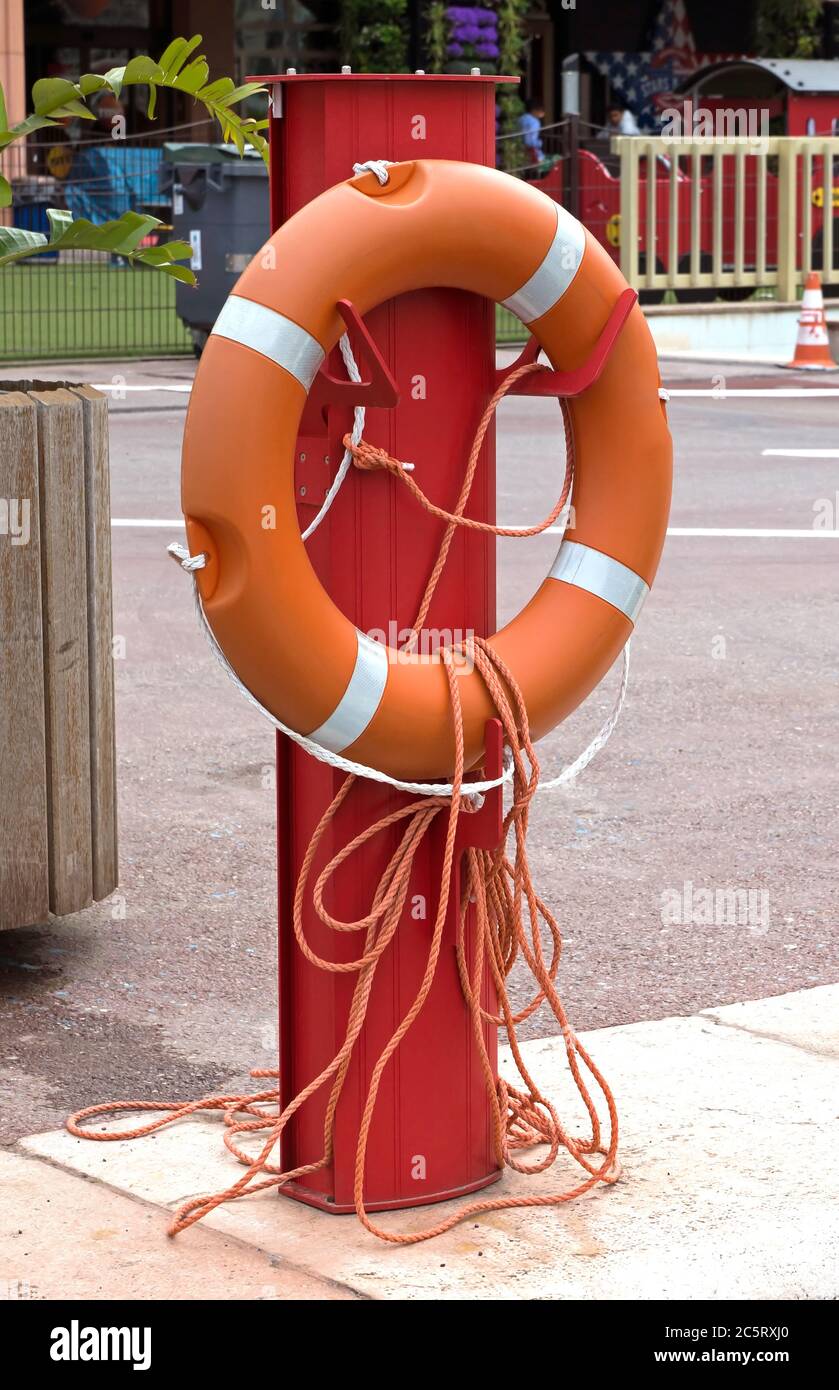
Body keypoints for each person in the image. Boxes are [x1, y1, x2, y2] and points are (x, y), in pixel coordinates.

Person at [518, 99, 546, 166]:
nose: (543, 113)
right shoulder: (534, 122)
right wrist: (539, 143)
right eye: (541, 110)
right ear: (534, 110)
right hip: (531, 151)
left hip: (519, 148)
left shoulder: (521, 118)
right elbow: (530, 141)